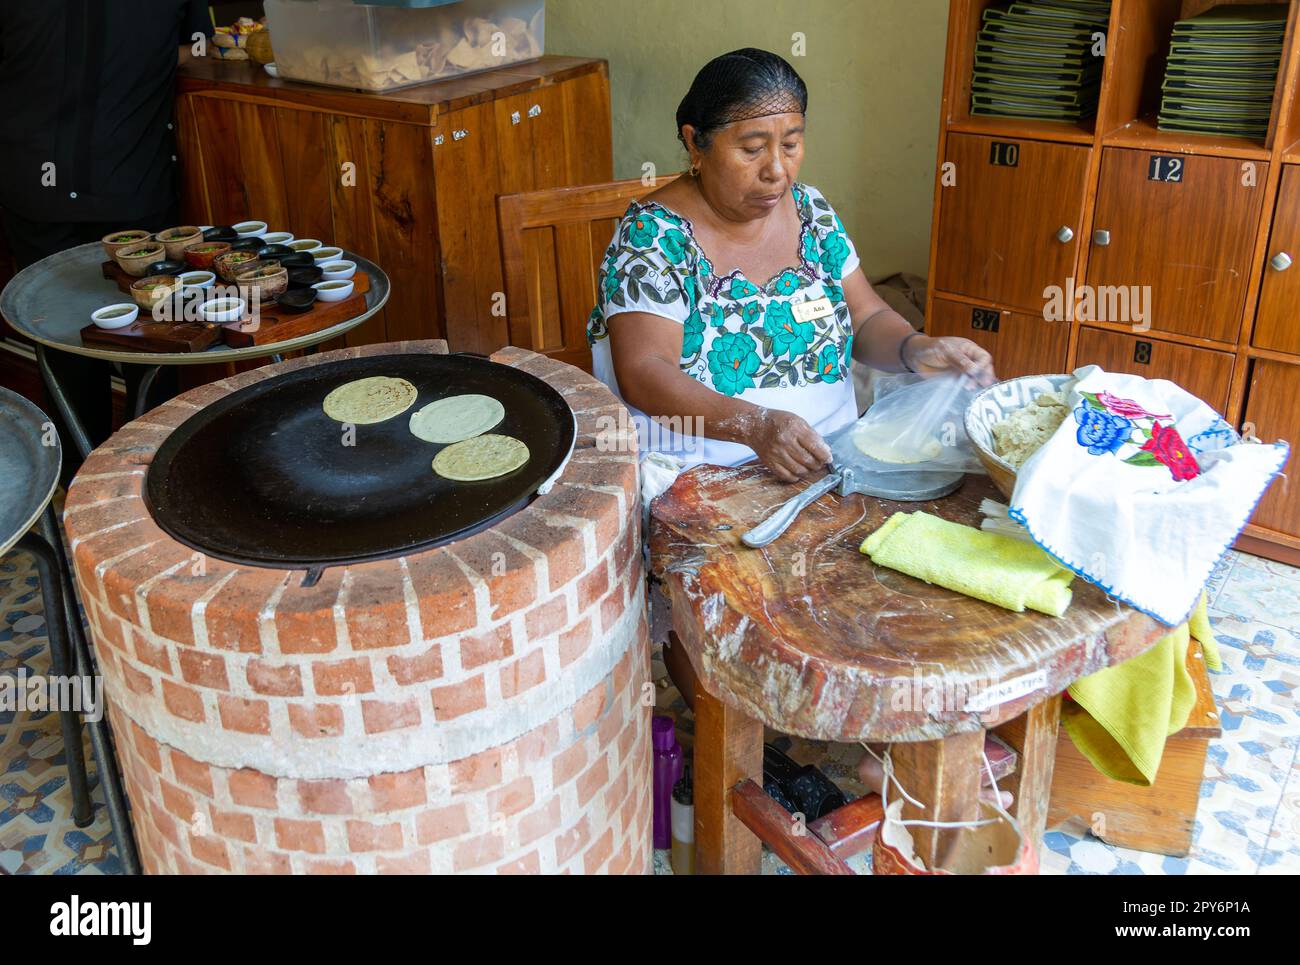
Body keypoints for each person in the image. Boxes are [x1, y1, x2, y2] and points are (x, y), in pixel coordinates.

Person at [588, 48, 1003, 802]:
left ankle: (896, 723)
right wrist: (752, 425)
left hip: (827, 456)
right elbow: (647, 372)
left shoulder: (812, 213)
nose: (776, 169)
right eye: (752, 148)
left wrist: (916, 348)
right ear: (692, 140)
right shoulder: (652, 237)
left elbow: (867, 319)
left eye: (790, 142)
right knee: (772, 594)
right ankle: (755, 708)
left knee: (911, 566)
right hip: (703, 468)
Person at [0, 0, 211, 467]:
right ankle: (150, 474)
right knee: (154, 339)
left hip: (35, 179)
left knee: (62, 341)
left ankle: (78, 478)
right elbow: (196, 49)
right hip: (131, 182)